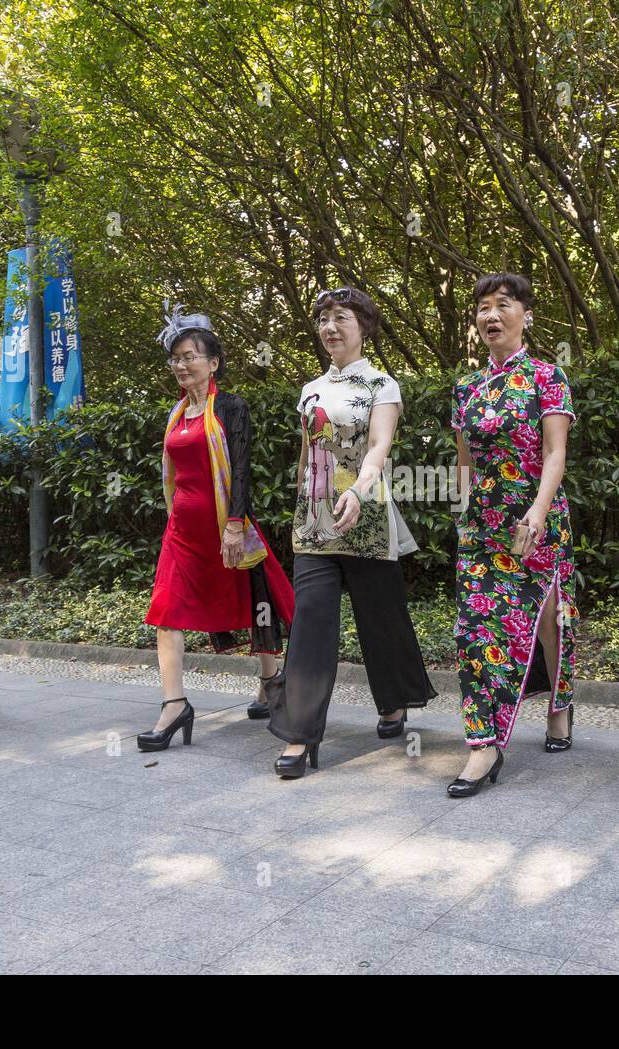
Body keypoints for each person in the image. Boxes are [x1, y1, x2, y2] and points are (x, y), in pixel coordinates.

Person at [268, 286, 436, 778]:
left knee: (380, 616)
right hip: (316, 520)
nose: (330, 327)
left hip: (365, 512)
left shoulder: (382, 385)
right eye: (324, 319)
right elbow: (305, 454)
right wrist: (301, 504)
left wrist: (360, 491)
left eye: (341, 317)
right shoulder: (310, 389)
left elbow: (379, 447)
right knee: (311, 621)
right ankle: (300, 735)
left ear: (364, 327)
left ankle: (395, 701)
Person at [138, 306, 294, 752]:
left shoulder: (230, 407)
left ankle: (270, 679)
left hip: (227, 525)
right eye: (176, 359)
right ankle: (175, 704)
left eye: (190, 356)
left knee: (254, 599)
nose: (182, 365)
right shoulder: (176, 413)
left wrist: (234, 526)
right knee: (166, 610)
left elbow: (240, 470)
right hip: (182, 531)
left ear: (214, 362)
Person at [446, 273, 579, 797]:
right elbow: (464, 463)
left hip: (536, 518)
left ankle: (559, 707)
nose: (491, 315)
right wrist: (462, 515)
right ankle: (483, 746)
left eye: (503, 305)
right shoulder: (467, 388)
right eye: (483, 307)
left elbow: (555, 451)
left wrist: (538, 512)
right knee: (476, 627)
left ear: (525, 315)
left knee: (548, 618)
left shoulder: (548, 375)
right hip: (482, 524)